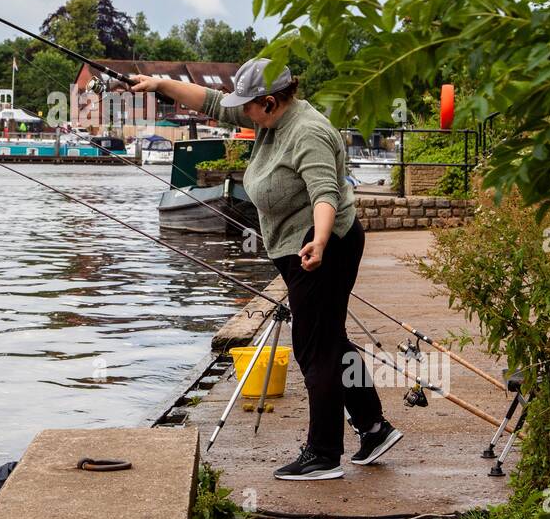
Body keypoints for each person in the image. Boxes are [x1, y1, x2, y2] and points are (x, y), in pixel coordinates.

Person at [130, 58, 402, 480]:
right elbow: (213, 102)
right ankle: (374, 428)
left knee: (315, 350)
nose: (242, 113)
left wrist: (321, 240)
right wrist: (160, 84)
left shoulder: (307, 132)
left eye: (249, 106)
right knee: (331, 339)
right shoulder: (270, 116)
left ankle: (324, 454)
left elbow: (325, 192)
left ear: (270, 102)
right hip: (303, 245)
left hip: (320, 246)